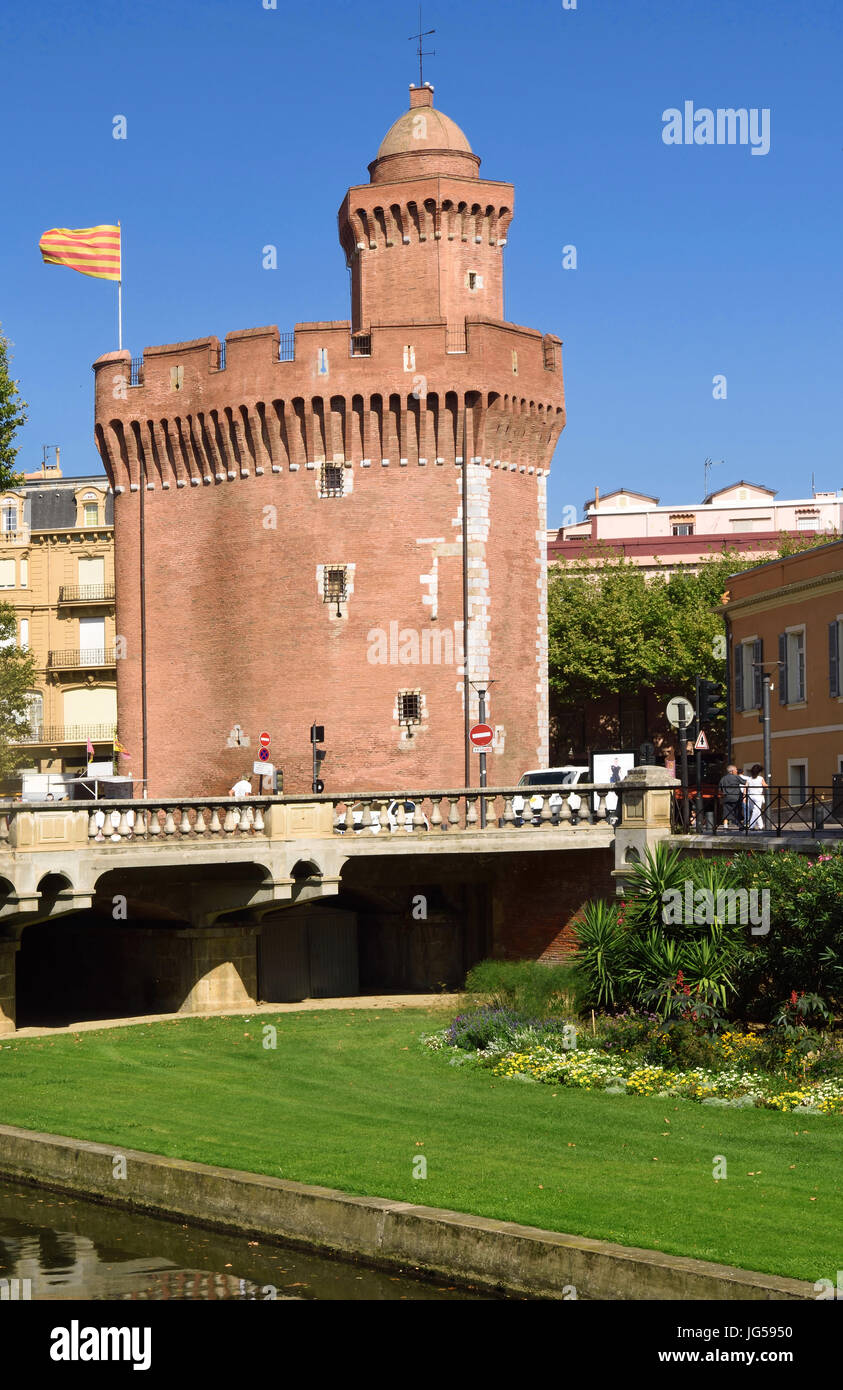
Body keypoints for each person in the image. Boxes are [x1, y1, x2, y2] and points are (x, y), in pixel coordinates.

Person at [718, 764, 746, 830]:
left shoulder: (723, 778)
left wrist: (722, 795)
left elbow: (720, 789)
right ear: (732, 771)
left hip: (726, 798)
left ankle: (725, 826)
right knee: (737, 811)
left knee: (726, 812)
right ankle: (740, 826)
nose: (737, 771)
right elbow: (745, 782)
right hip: (736, 797)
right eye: (736, 769)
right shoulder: (736, 777)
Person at [743, 763, 768, 831]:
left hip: (750, 796)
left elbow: (745, 787)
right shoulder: (760, 778)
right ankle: (751, 826)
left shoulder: (749, 779)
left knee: (756, 811)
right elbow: (765, 786)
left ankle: (761, 825)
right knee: (756, 811)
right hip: (758, 796)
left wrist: (744, 797)